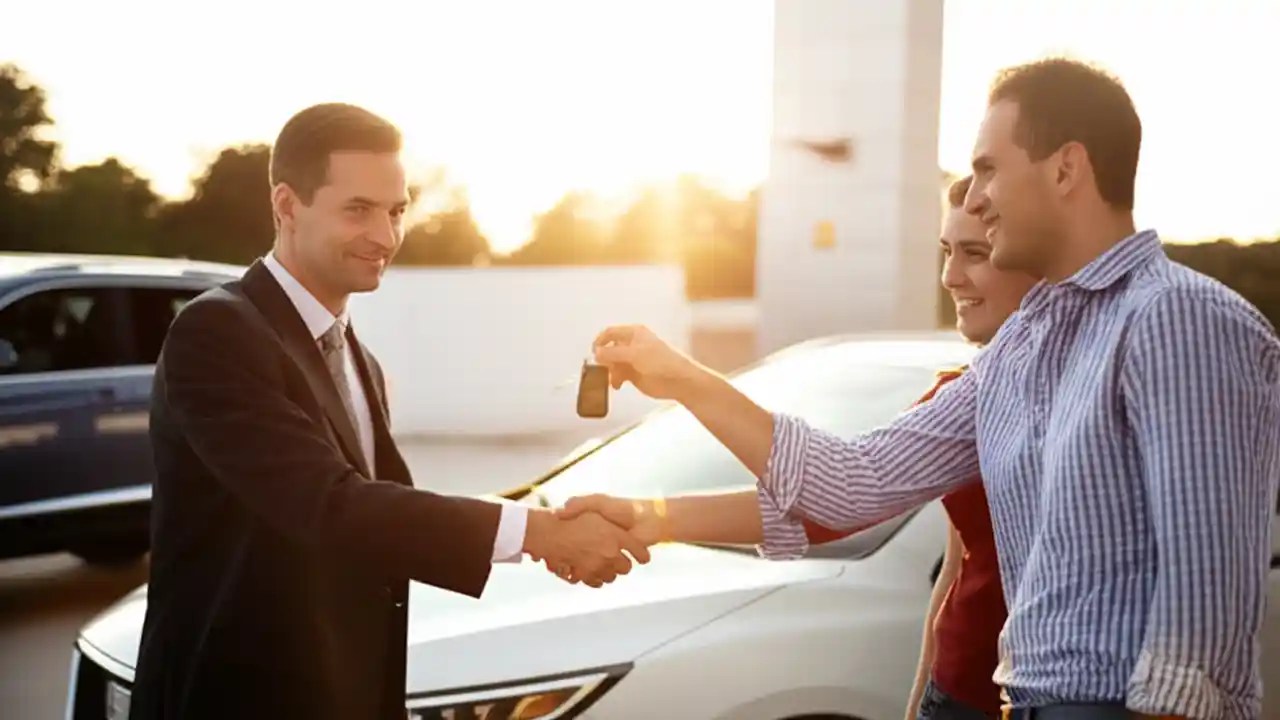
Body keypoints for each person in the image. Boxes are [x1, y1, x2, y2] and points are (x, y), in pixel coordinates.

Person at [578, 59, 1280, 719]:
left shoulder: (1179, 319)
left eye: (988, 169)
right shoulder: (1019, 348)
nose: (974, 197)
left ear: (1066, 168)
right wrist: (681, 379)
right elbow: (851, 485)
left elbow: (1205, 598)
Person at [129, 103, 648, 720]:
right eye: (358, 210)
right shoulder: (218, 331)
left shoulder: (361, 360)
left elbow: (385, 512)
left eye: (396, 211)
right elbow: (326, 502)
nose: (385, 236)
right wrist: (537, 534)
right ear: (287, 205)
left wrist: (546, 518)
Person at [556, 175, 1037, 719]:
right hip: (956, 693)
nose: (950, 276)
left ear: (1035, 256)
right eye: (946, 251)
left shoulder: (1074, 388)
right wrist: (651, 518)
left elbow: (842, 494)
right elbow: (942, 566)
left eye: (975, 253)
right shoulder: (961, 395)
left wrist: (683, 380)